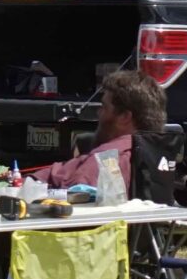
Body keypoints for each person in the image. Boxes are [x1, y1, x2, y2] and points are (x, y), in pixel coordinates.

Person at [30, 69, 166, 194]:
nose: (99, 113)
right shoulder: (157, 156)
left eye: (104, 107)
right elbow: (62, 171)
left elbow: (75, 198)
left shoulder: (107, 162)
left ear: (125, 117)